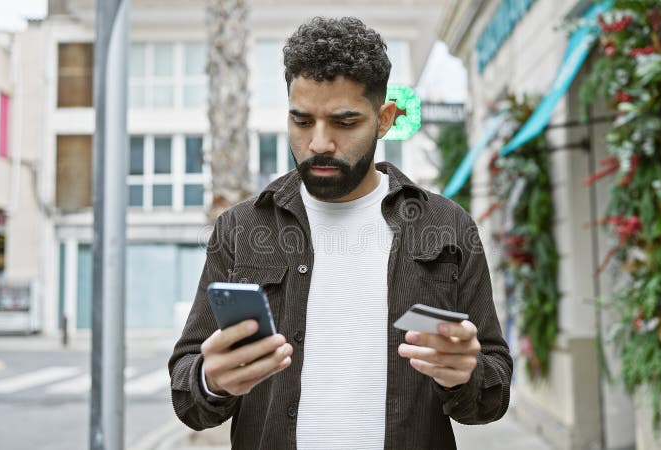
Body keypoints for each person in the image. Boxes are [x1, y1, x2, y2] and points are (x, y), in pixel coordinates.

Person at [169, 17, 512, 450]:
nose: (319, 143)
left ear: (385, 119)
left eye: (344, 122)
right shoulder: (241, 229)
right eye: (302, 121)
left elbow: (491, 394)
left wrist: (467, 374)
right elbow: (188, 392)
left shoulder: (446, 227)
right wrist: (210, 380)